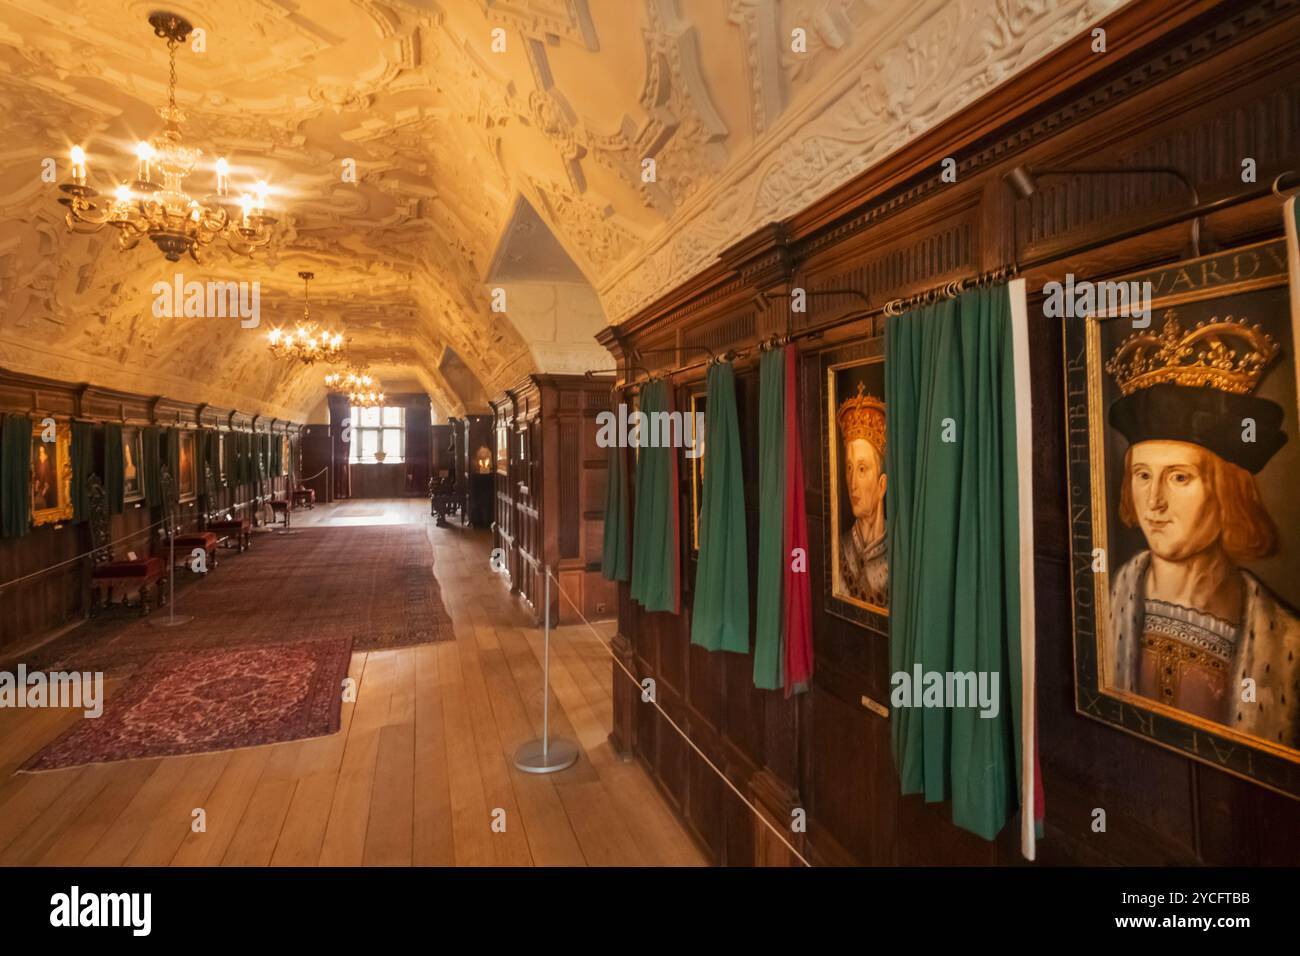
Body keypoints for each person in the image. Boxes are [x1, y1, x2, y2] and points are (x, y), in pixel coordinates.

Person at [1104, 311, 1300, 748]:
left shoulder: (1284, 639)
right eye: (1142, 475)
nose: (1154, 501)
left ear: (1227, 492)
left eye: (1179, 477)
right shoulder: (1114, 597)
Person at [836, 381, 888, 608]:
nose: (852, 483)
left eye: (862, 469)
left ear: (882, 485)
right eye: (849, 468)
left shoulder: (900, 552)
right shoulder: (841, 547)